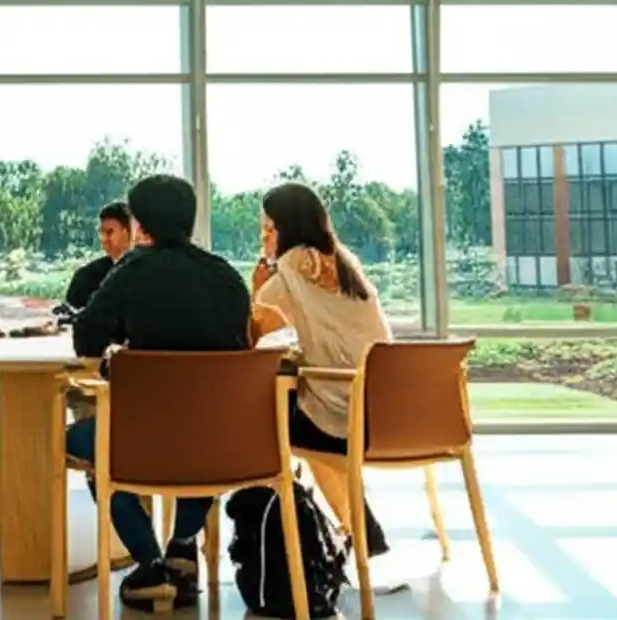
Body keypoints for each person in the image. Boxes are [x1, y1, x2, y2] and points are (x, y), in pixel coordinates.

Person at [68, 175, 251, 610]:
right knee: (198, 428)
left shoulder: (131, 271)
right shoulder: (226, 278)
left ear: (140, 225)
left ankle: (151, 564)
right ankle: (182, 545)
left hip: (139, 441)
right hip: (218, 444)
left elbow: (85, 339)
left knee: (85, 445)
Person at [253, 182, 393, 563]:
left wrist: (259, 285)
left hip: (343, 415)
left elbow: (252, 332)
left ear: (288, 229)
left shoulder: (289, 270)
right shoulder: (346, 262)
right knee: (302, 413)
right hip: (390, 411)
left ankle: (336, 534)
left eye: (269, 228)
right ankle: (360, 528)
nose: (264, 237)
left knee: (278, 422)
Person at [65, 201, 133, 310]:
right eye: (101, 232)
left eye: (109, 232)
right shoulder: (85, 277)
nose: (103, 239)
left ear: (128, 233)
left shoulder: (145, 273)